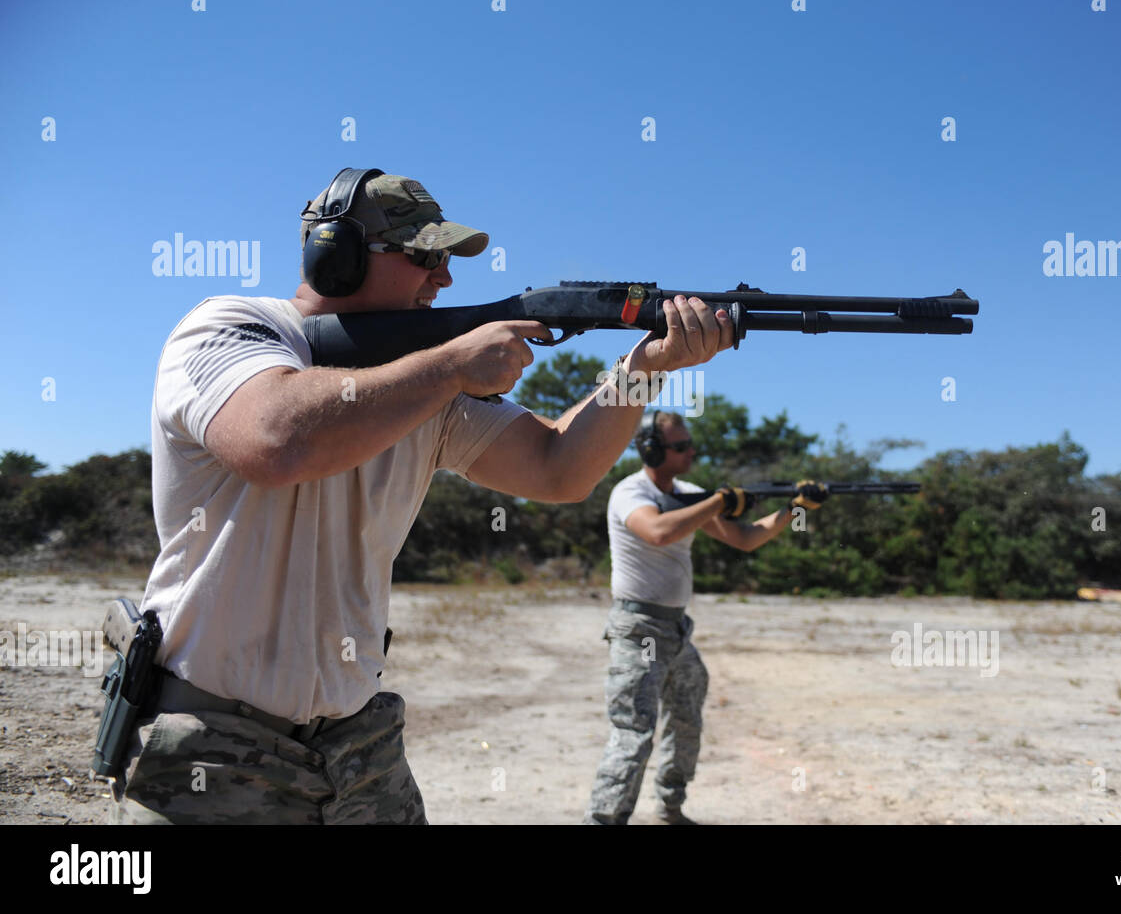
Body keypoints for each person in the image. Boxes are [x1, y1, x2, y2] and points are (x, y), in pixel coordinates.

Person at [111, 167, 733, 824]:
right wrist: (450, 365)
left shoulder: (427, 390)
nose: (445, 280)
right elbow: (277, 441)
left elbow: (558, 468)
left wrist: (644, 370)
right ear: (337, 257)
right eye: (425, 257)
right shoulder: (230, 328)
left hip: (357, 744)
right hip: (212, 743)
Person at [584, 410, 826, 824]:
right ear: (652, 450)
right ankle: (602, 820)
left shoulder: (690, 493)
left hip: (676, 630)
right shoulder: (631, 493)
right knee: (633, 734)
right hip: (638, 629)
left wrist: (793, 509)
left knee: (687, 718)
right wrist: (718, 501)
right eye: (681, 447)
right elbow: (659, 531)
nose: (691, 451)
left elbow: (744, 538)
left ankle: (670, 807)